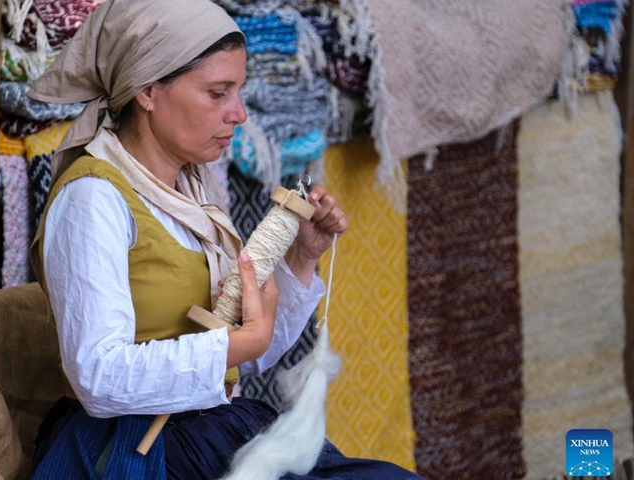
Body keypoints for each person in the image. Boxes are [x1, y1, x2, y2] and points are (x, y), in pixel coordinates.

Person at [26, 1, 425, 479]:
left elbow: (243, 361)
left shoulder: (192, 192)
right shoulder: (94, 199)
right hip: (139, 450)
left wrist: (301, 258)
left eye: (238, 92)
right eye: (218, 93)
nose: (239, 114)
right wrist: (237, 344)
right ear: (148, 90)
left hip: (206, 430)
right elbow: (97, 377)